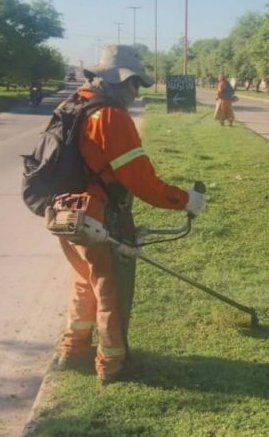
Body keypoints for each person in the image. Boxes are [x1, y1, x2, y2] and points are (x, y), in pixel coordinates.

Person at [57, 45, 205, 385]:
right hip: (96, 216)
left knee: (85, 281)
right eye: (134, 84)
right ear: (118, 80)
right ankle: (112, 364)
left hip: (63, 213)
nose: (136, 92)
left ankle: (73, 350)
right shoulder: (109, 115)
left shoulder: (74, 103)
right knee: (112, 289)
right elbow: (141, 180)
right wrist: (185, 200)